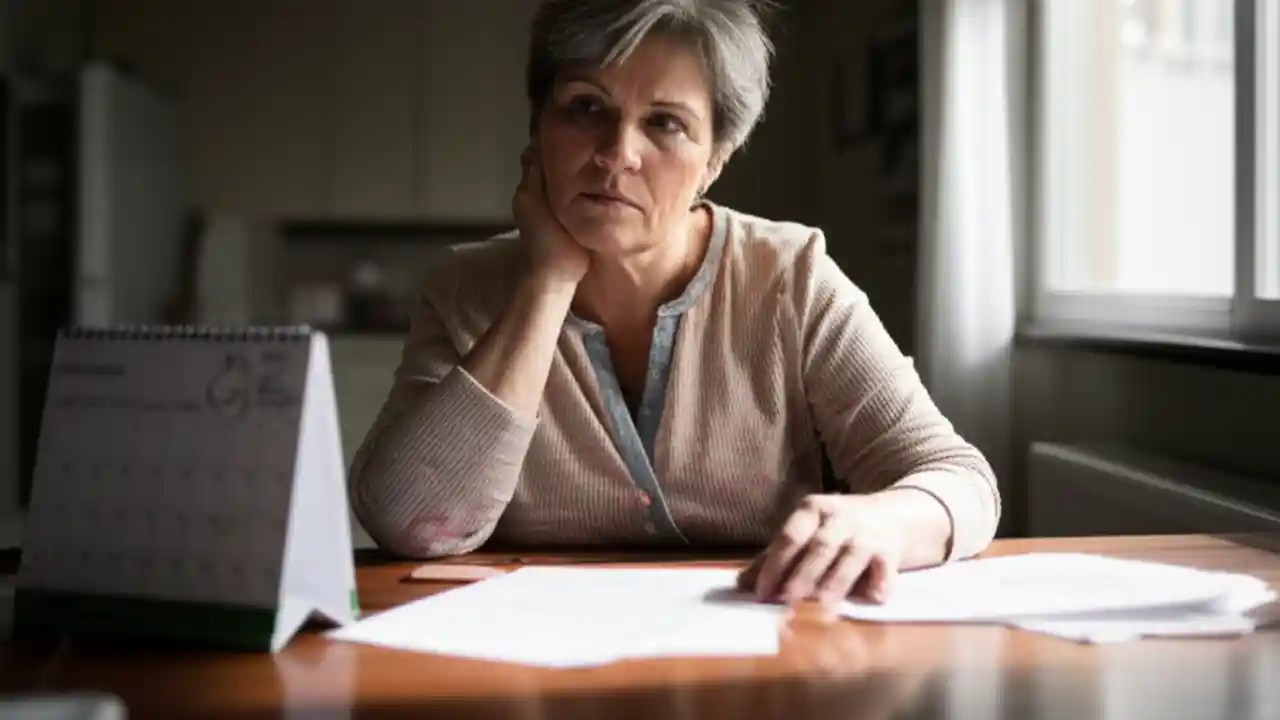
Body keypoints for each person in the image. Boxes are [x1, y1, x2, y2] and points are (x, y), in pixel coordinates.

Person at [350, 0, 1000, 608]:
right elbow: (411, 521)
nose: (616, 154)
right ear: (537, 126)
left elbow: (960, 482)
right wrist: (547, 282)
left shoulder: (791, 278)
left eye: (665, 123)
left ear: (716, 157)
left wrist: (886, 520)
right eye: (584, 107)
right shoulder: (465, 288)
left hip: (756, 654)